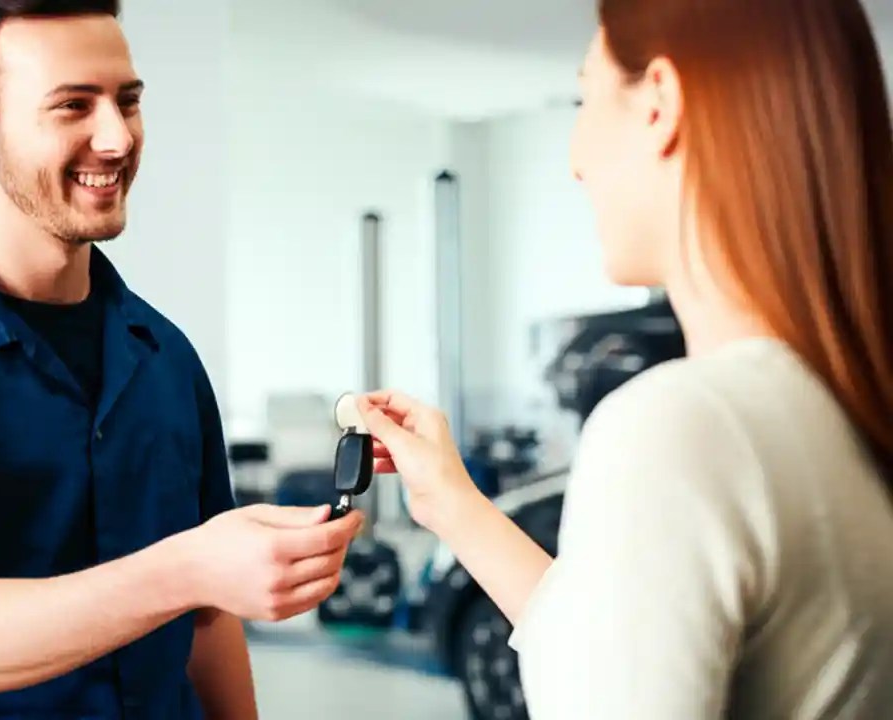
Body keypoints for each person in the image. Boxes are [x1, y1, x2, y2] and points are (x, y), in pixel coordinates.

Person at [0, 1, 363, 717]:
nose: (118, 138)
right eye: (72, 106)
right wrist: (187, 569)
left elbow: (209, 626)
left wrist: (213, 576)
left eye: (127, 101)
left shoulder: (162, 356)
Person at [358, 0, 893, 716]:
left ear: (660, 105)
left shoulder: (683, 423)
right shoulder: (834, 406)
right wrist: (454, 506)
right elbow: (610, 652)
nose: (576, 163)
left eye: (586, 98)